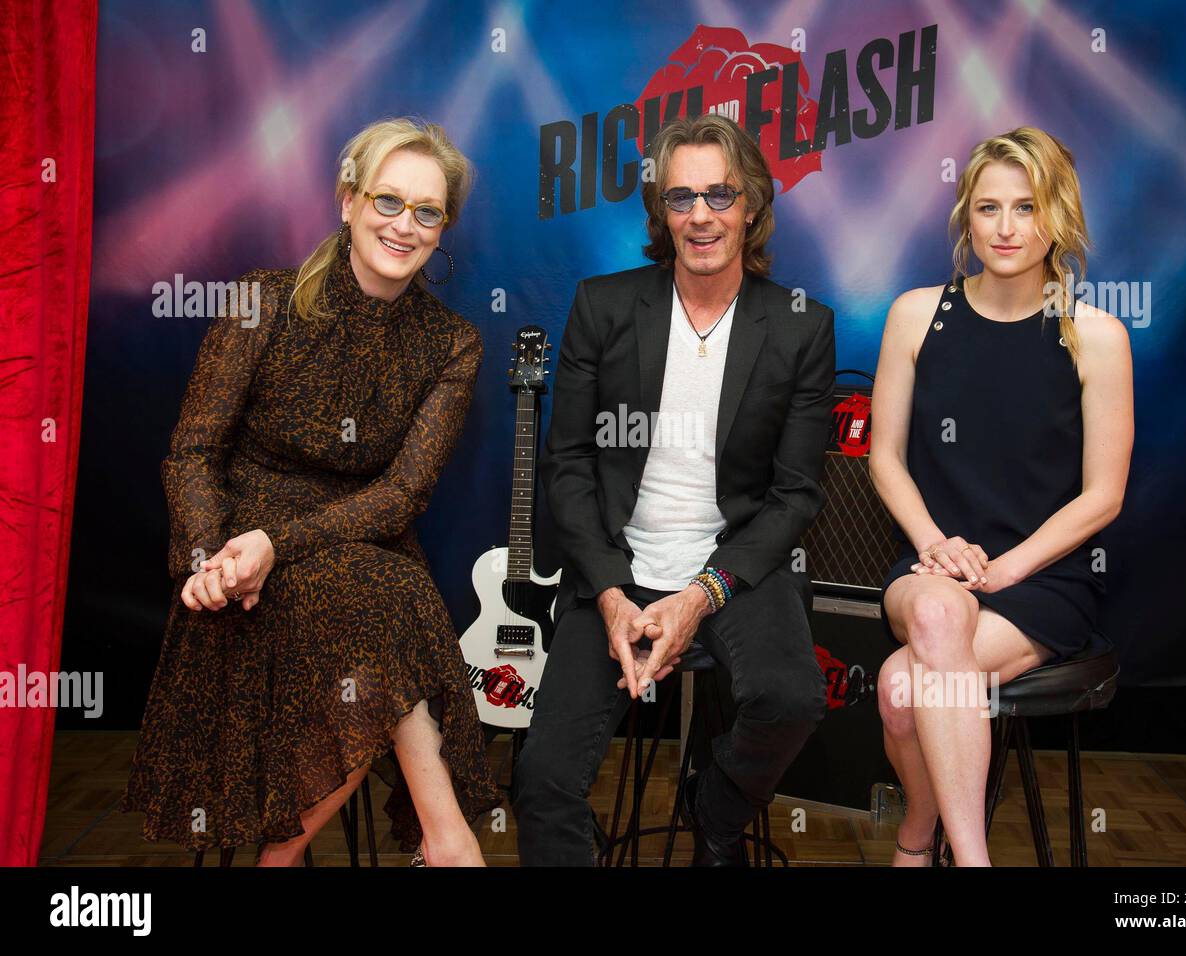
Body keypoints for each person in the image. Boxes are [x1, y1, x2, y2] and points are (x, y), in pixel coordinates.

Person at [120, 117, 501, 867]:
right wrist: (209, 560)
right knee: (392, 604)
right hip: (238, 543)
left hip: (360, 536)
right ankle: (447, 838)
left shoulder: (453, 342)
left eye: (427, 211)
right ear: (348, 200)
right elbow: (194, 450)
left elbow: (399, 496)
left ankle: (296, 855)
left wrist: (279, 545)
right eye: (388, 201)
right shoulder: (263, 301)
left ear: (444, 226)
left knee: (381, 594)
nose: (405, 225)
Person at [511, 114, 837, 866]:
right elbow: (568, 465)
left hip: (734, 567)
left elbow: (794, 496)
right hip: (615, 568)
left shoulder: (800, 327)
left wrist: (701, 596)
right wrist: (611, 592)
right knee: (544, 778)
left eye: (720, 195)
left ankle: (714, 811)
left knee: (791, 700)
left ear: (752, 204)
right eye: (681, 196)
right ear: (660, 209)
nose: (701, 215)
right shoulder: (604, 305)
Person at [869, 127, 1134, 866]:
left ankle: (918, 841)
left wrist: (1008, 569)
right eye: (988, 208)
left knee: (897, 693)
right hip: (930, 568)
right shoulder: (916, 315)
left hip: (1041, 581)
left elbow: (1102, 496)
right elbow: (885, 459)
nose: (1008, 227)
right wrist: (934, 546)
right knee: (935, 608)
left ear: (1058, 216)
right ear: (966, 217)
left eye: (1027, 206)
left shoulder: (1097, 335)